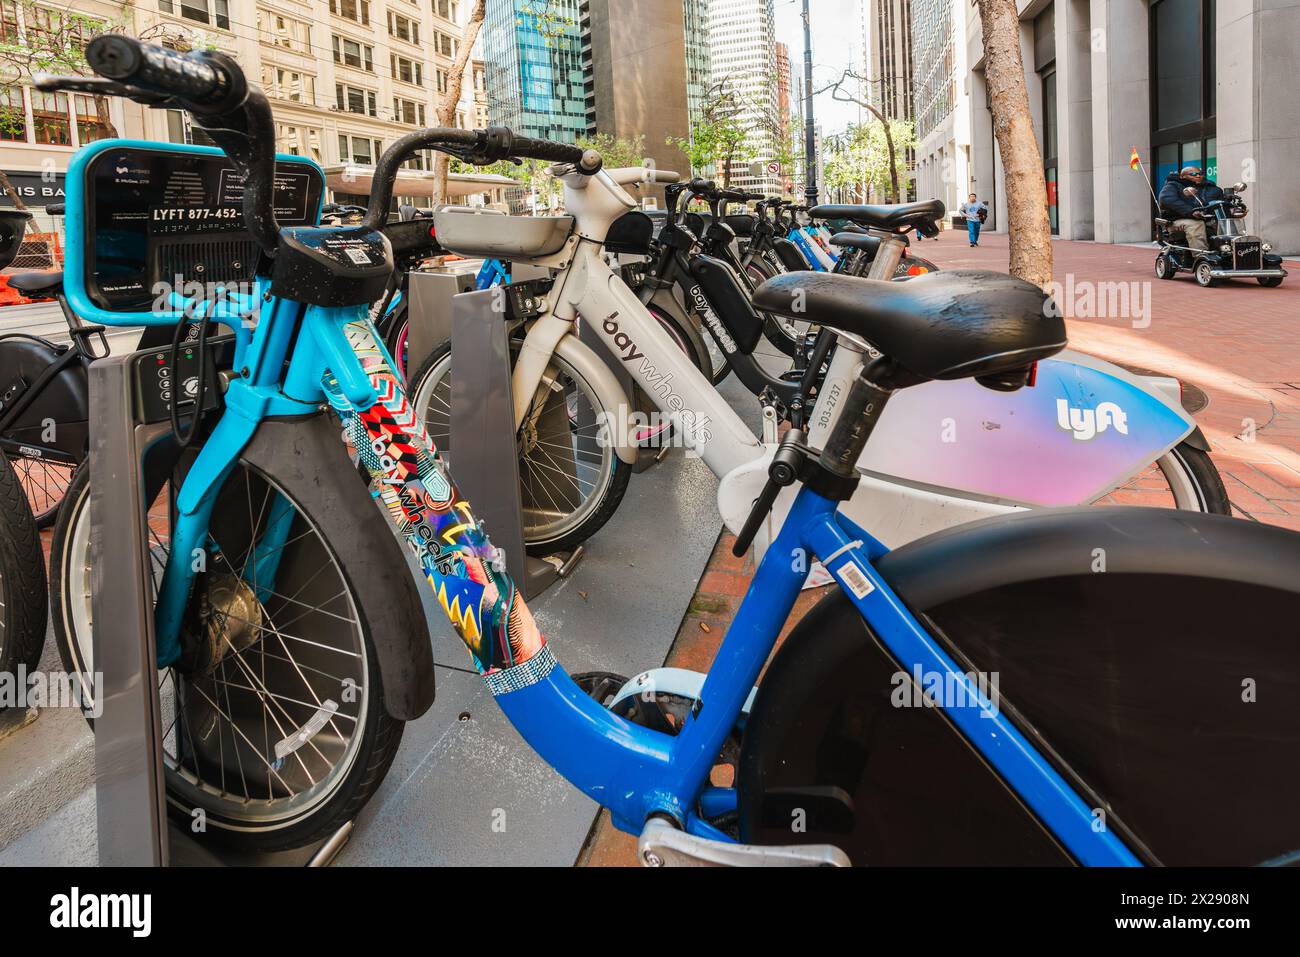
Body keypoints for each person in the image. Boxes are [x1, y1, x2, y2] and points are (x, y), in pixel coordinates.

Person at [1157, 166, 1223, 251]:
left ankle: (1231, 253)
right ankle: (1201, 255)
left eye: (1200, 174)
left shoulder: (1212, 188)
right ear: (1182, 176)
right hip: (1177, 219)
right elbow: (1168, 200)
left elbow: (1220, 204)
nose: (1198, 176)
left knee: (1229, 224)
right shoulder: (1173, 185)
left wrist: (1234, 211)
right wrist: (1191, 212)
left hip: (1206, 218)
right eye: (1193, 174)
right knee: (1196, 224)